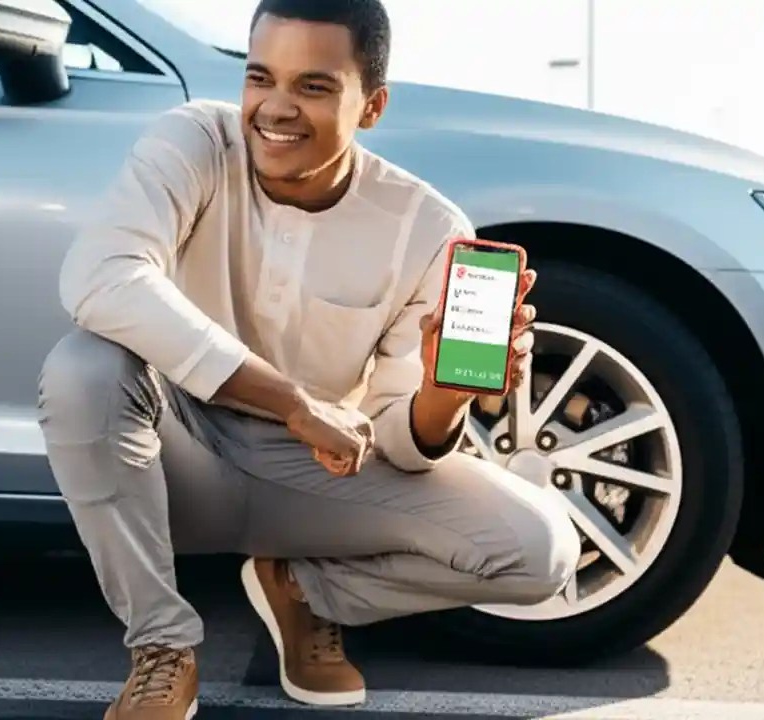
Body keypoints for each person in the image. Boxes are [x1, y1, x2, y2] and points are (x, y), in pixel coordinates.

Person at [36, 1, 581, 718]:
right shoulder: (197, 138)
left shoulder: (428, 226)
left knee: (540, 552)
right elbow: (100, 278)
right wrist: (294, 402)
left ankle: (303, 591)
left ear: (373, 106)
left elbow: (398, 442)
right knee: (84, 369)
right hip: (173, 455)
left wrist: (446, 396)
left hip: (318, 474)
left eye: (314, 87)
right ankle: (163, 650)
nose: (275, 109)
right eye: (262, 78)